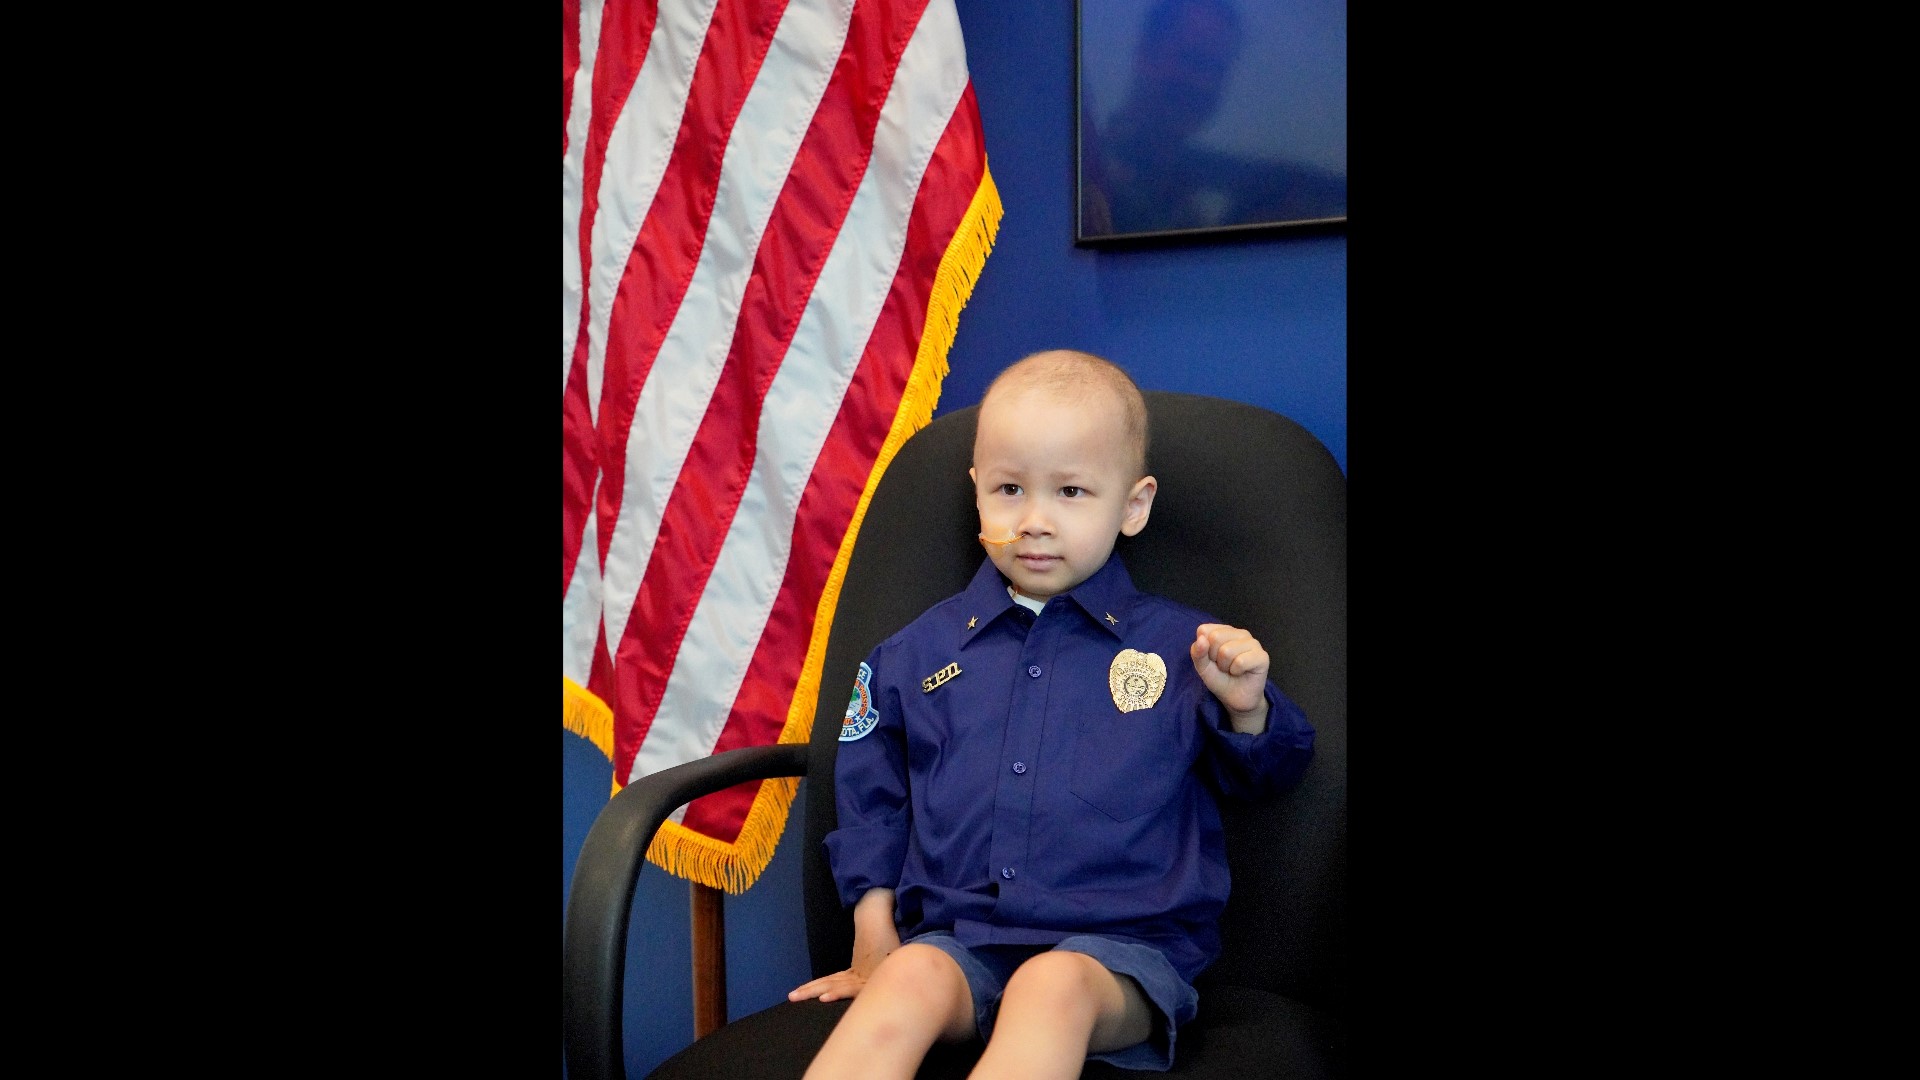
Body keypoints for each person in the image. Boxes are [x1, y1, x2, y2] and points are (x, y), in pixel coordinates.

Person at [787, 349, 1316, 1077]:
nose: (1034, 521)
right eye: (1009, 489)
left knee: (1049, 985)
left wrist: (1248, 709)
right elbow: (869, 801)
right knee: (906, 980)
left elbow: (1274, 776)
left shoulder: (1183, 649)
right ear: (977, 493)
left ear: (1132, 506)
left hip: (1119, 954)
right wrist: (875, 933)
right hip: (958, 938)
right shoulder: (911, 656)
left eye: (1070, 492)